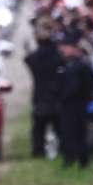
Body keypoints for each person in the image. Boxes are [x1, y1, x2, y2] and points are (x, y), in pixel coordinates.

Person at [56, 38, 93, 169]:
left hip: (73, 104)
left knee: (72, 133)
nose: (62, 50)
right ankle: (80, 160)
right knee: (77, 133)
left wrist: (64, 97)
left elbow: (78, 86)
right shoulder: (73, 65)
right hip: (79, 104)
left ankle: (73, 159)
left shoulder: (77, 66)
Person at [24, 23, 63, 158]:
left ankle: (38, 151)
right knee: (56, 126)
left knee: (40, 127)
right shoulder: (55, 54)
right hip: (53, 94)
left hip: (43, 95)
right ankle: (60, 149)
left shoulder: (37, 57)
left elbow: (28, 59)